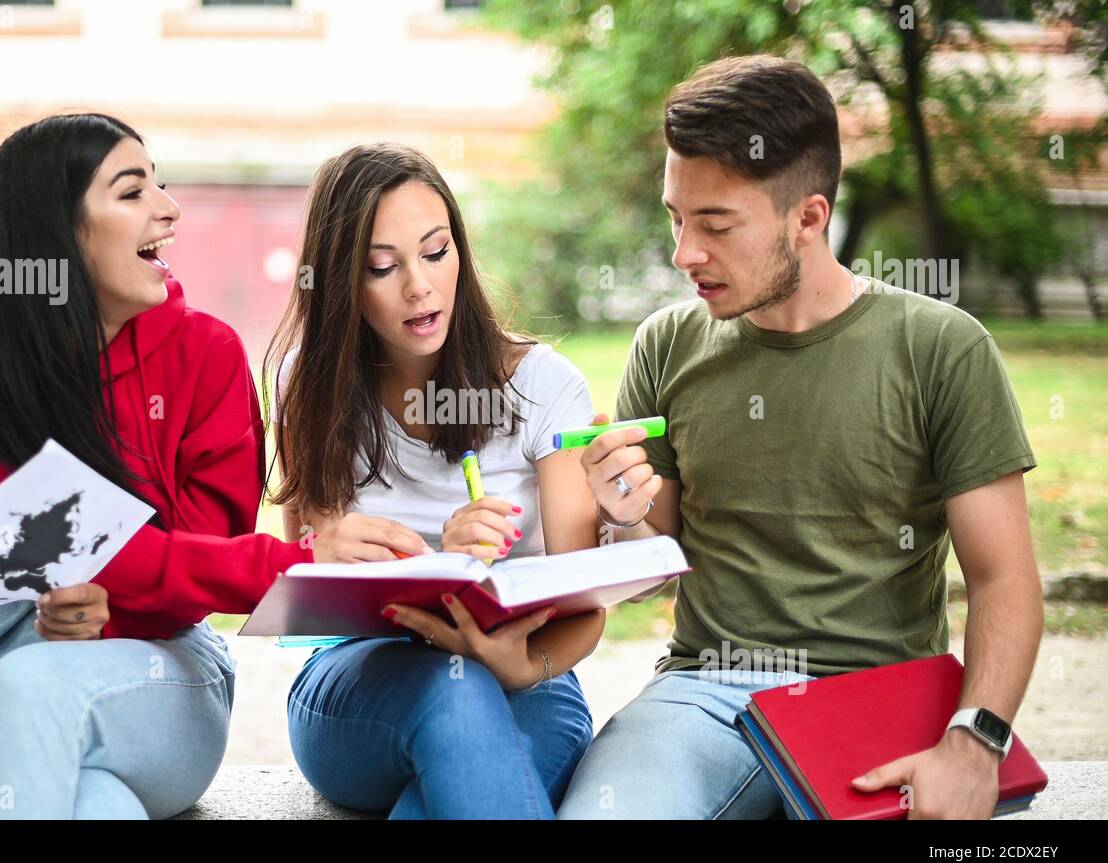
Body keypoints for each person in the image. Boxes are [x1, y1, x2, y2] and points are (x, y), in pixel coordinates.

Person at [0, 114, 428, 820]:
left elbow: (190, 564)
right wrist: (288, 562)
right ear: (56, 228)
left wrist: (106, 598)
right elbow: (45, 546)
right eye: (132, 192)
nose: (169, 211)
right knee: (89, 804)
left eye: (162, 186)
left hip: (154, 667)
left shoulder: (206, 355)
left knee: (33, 689)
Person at [557, 55, 1042, 820]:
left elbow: (1003, 579)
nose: (684, 253)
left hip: (882, 698)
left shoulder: (942, 348)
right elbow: (654, 559)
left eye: (715, 225)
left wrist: (974, 740)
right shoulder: (665, 344)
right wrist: (621, 513)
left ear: (808, 218)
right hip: (705, 692)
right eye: (676, 218)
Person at [267, 142, 601, 819]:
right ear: (339, 283)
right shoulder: (308, 381)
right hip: (359, 681)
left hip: (530, 681)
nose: (418, 285)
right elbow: (304, 592)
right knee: (452, 692)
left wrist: (517, 662)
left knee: (452, 771)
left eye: (437, 252)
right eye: (383, 267)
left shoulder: (546, 388)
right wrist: (336, 553)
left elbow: (585, 604)